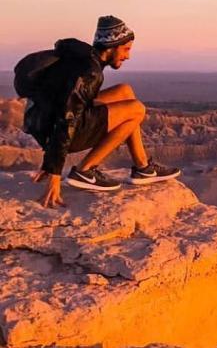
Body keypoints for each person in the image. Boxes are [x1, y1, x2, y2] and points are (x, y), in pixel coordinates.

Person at [23, 15, 180, 207]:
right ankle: (85, 171)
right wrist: (54, 171)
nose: (128, 56)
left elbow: (61, 104)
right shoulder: (90, 72)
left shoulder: (85, 59)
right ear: (112, 46)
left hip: (46, 123)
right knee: (136, 110)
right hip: (57, 128)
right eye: (126, 49)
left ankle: (143, 168)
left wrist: (48, 161)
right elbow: (67, 118)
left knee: (125, 91)